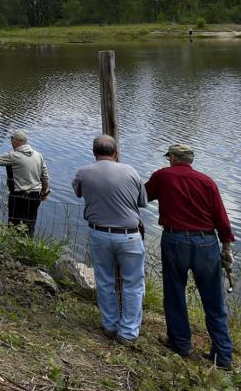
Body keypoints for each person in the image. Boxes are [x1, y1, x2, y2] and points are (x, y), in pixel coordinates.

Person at [145, 143, 235, 370]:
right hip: (207, 242)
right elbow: (222, 219)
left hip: (175, 240)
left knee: (175, 292)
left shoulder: (163, 176)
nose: (168, 161)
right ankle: (223, 356)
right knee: (214, 299)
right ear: (191, 160)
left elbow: (142, 196)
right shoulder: (207, 181)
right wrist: (226, 249)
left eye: (169, 157)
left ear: (174, 158)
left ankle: (181, 343)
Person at [72, 134, 148, 346]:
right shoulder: (131, 171)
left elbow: (78, 192)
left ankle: (110, 325)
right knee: (133, 283)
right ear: (116, 152)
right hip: (129, 235)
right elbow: (143, 202)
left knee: (104, 280)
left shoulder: (83, 172)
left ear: (93, 152)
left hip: (99, 233)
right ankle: (129, 332)